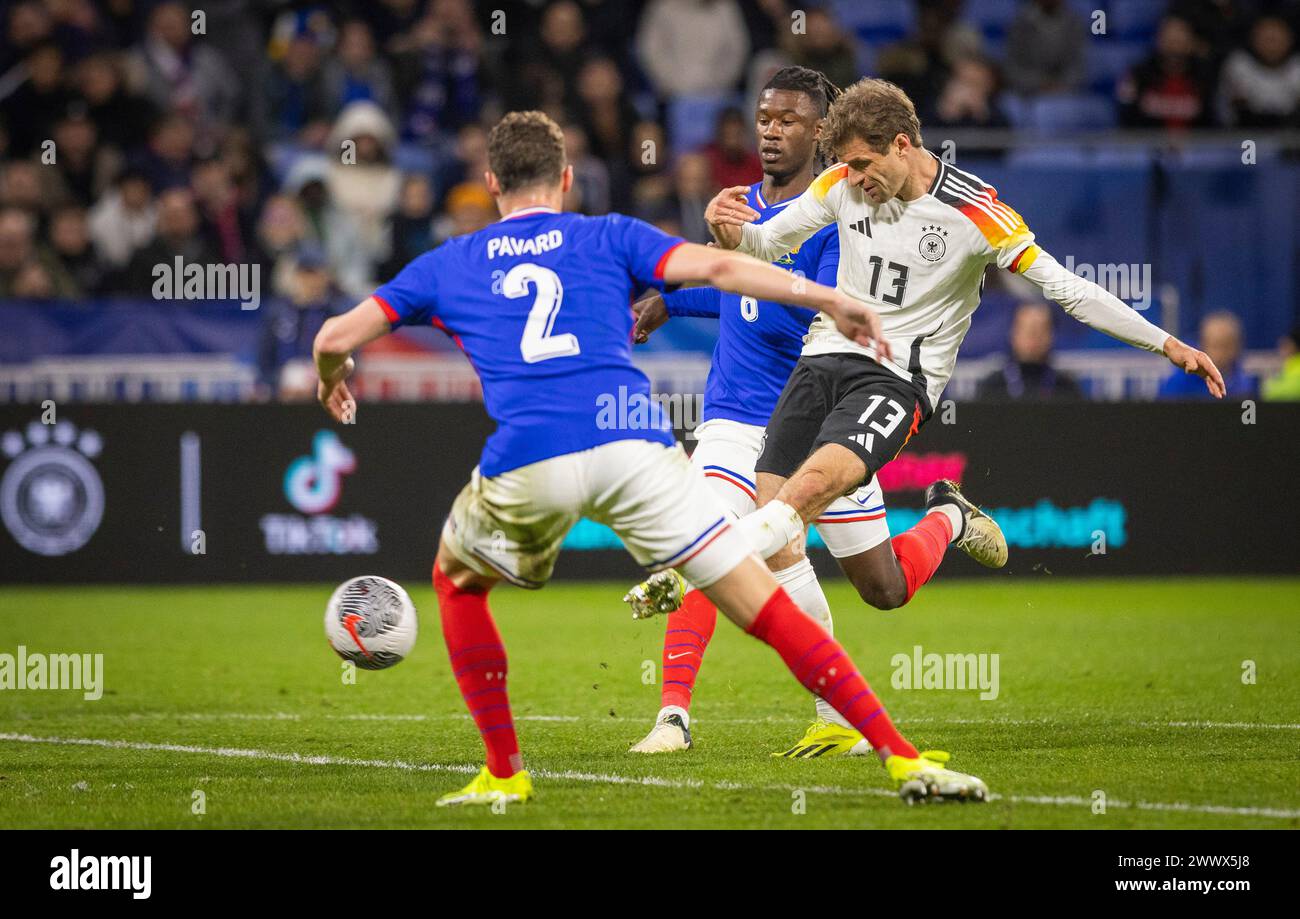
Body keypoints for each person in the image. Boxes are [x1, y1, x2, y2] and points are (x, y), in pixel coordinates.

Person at [311, 110, 989, 807]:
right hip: (634, 444)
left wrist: (333, 377)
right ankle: (904, 760)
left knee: (456, 582)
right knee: (758, 600)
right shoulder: (608, 234)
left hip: (527, 455)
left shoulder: (449, 261)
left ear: (489, 183)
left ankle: (505, 773)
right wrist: (828, 299)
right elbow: (724, 265)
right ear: (568, 180)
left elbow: (337, 332)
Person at [626, 78, 1224, 650]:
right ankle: (949, 520)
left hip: (896, 379)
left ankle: (686, 584)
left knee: (802, 495)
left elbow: (1068, 289)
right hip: (822, 361)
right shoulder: (840, 182)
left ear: (903, 145)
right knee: (867, 580)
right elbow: (767, 245)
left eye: (864, 165)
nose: (855, 181)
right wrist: (725, 231)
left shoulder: (976, 213)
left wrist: (1166, 343)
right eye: (847, 166)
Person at [627, 66, 997, 760]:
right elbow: (739, 292)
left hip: (821, 418)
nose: (771, 130)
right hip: (738, 423)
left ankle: (949, 516)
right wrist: (673, 298)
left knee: (884, 588)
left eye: (790, 119)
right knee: (708, 541)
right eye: (764, 117)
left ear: (824, 133)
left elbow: (804, 308)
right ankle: (674, 715)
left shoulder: (842, 216)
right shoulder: (745, 210)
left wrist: (725, 262)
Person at [975, 301, 1083, 400]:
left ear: (1052, 335)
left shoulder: (1066, 388)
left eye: (1041, 330)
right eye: (1027, 330)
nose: (1034, 337)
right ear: (1013, 334)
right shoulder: (993, 387)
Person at [1158, 311, 1254, 399]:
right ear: (1202, 345)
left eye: (1225, 346)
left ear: (1236, 347)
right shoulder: (1180, 382)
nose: (1220, 354)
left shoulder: (1245, 384)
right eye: (1214, 346)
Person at [1262, 325, 1300, 401]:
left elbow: (1270, 392)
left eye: (1285, 345)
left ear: (1292, 346)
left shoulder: (1296, 369)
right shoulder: (1288, 367)